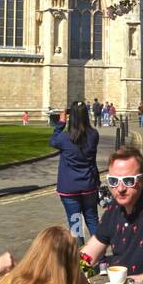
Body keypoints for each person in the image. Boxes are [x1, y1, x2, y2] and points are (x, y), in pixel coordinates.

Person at [81, 146, 143, 279]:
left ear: (142, 180)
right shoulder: (114, 208)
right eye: (113, 181)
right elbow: (89, 254)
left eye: (128, 181)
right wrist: (70, 273)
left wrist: (126, 283)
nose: (120, 189)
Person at [50, 101, 101, 240]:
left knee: (75, 224)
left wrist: (61, 123)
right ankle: (101, 258)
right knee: (92, 220)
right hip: (89, 184)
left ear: (71, 117)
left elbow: (53, 141)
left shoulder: (64, 138)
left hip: (69, 187)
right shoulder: (94, 135)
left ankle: (80, 259)